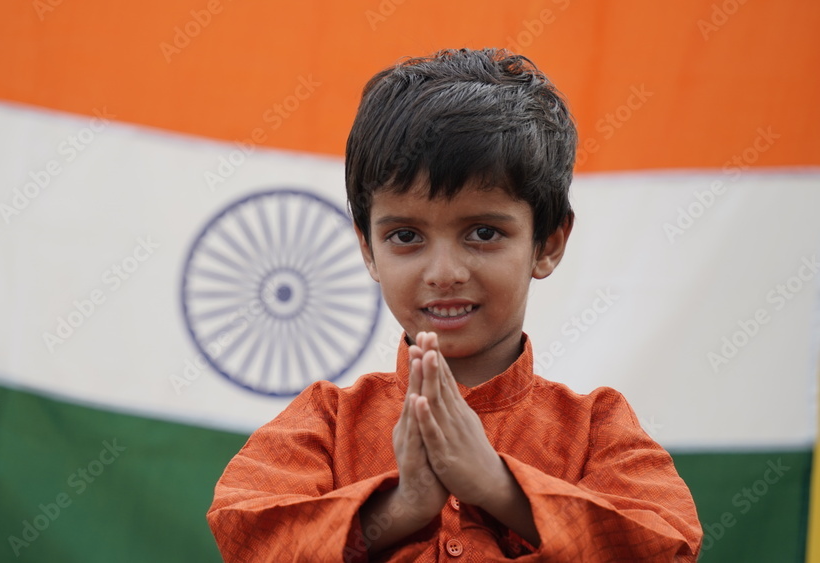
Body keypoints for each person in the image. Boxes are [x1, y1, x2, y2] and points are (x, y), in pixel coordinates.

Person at [207, 47, 702, 561]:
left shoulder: (597, 429)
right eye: (405, 235)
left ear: (548, 242)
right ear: (367, 249)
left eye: (483, 232)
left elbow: (665, 544)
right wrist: (403, 507)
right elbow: (245, 531)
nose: (443, 273)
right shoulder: (326, 424)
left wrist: (498, 487)